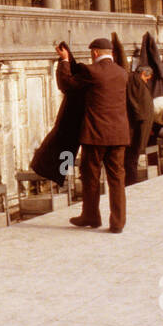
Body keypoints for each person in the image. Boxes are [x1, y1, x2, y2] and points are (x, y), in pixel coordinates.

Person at [55, 38, 130, 233]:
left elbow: (67, 85)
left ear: (95, 53)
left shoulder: (92, 71)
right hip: (119, 134)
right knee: (116, 179)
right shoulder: (122, 73)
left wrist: (64, 61)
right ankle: (118, 222)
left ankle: (91, 215)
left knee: (91, 176)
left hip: (96, 134)